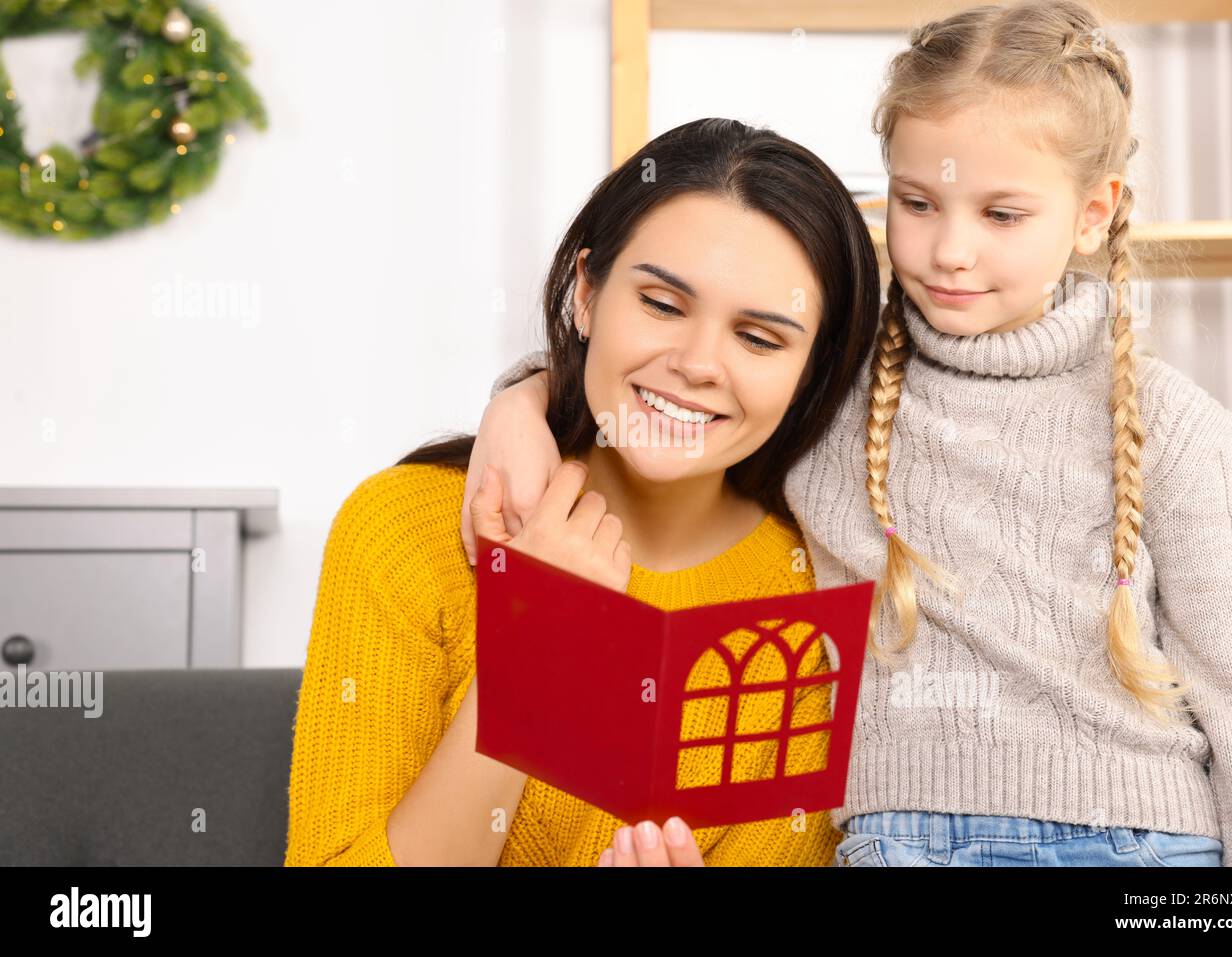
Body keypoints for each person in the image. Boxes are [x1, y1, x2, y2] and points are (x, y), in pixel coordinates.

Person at [466, 1, 1232, 866]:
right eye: (918, 202)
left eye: (1002, 215)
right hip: (898, 845)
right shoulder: (834, 385)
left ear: (1094, 212)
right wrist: (521, 402)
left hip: (1144, 849)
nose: (951, 250)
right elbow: (675, 376)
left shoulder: (1175, 423)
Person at [284, 116, 882, 866]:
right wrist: (536, 651)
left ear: (811, 375)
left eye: (759, 338)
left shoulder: (816, 609)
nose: (697, 363)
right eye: (662, 305)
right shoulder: (405, 528)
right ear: (588, 293)